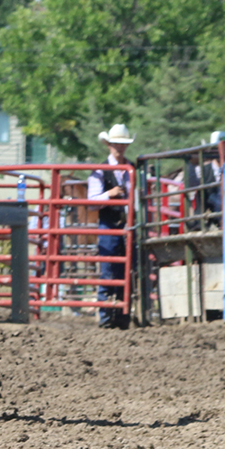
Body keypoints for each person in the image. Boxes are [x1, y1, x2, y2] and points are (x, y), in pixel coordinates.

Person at [88, 123, 133, 330]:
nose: (119, 148)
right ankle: (106, 317)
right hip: (108, 224)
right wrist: (110, 194)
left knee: (126, 270)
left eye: (122, 144)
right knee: (108, 270)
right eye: (116, 144)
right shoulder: (100, 170)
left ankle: (122, 316)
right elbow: (92, 202)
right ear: (109, 144)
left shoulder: (131, 169)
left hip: (127, 224)